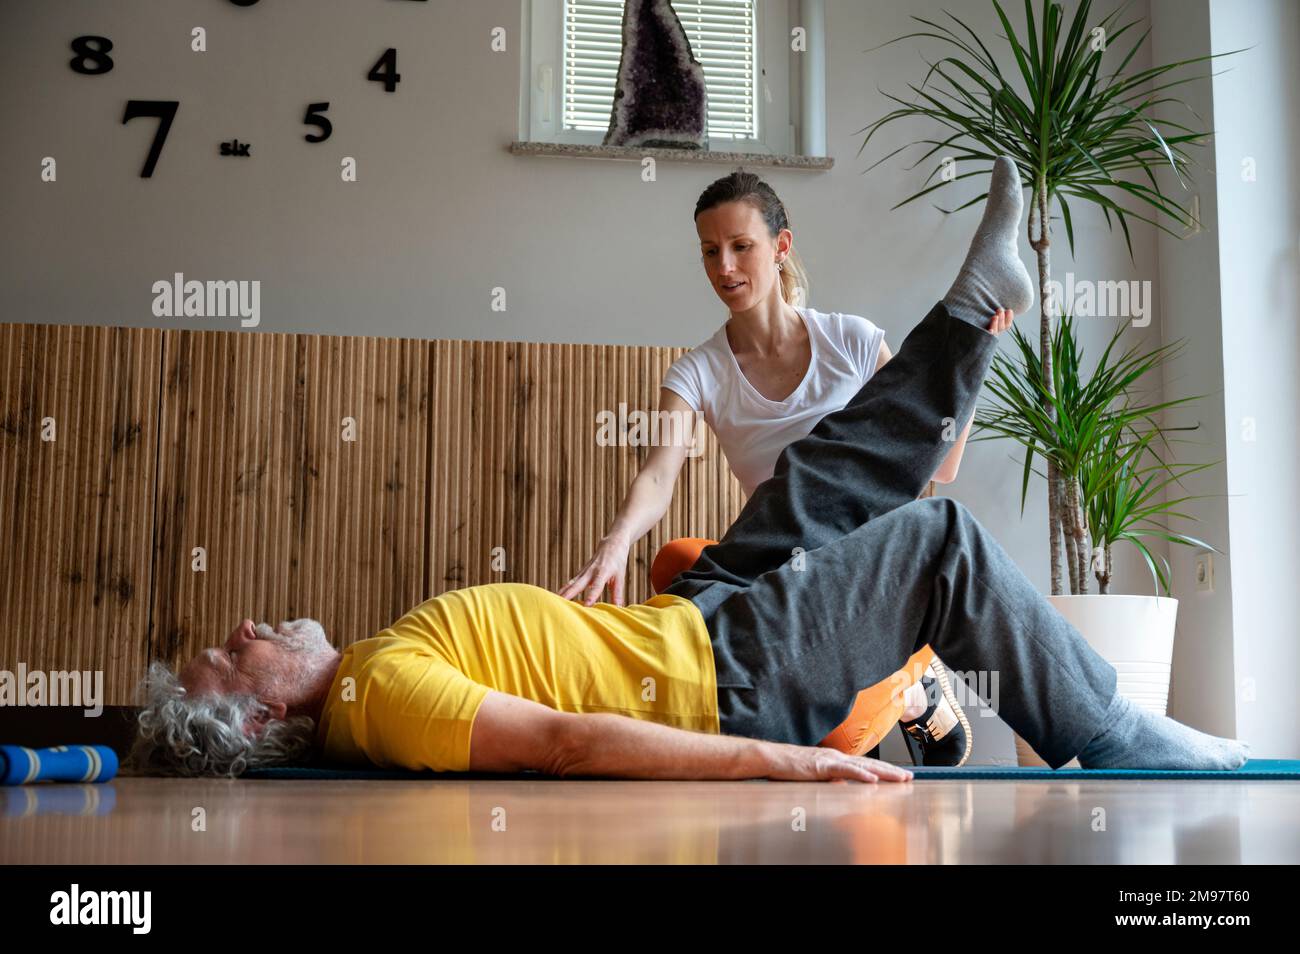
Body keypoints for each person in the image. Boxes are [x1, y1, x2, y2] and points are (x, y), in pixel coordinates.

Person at [128, 157, 1250, 782]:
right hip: (723, 686)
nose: (245, 627)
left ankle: (969, 312)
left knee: (816, 477)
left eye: (740, 247)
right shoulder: (379, 699)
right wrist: (782, 770)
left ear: (777, 250)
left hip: (692, 621)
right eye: (231, 660)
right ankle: (1107, 736)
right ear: (262, 724)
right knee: (936, 546)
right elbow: (570, 744)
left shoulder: (370, 669)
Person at [557, 170, 1006, 766]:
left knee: (840, 739)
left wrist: (968, 365)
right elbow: (659, 475)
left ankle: (911, 681)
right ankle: (882, 680)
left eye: (741, 246)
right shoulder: (699, 371)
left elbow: (940, 464)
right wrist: (615, 544)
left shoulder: (850, 340)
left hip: (869, 561)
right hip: (785, 567)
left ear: (781, 247)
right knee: (678, 563)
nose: (725, 267)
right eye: (710, 251)